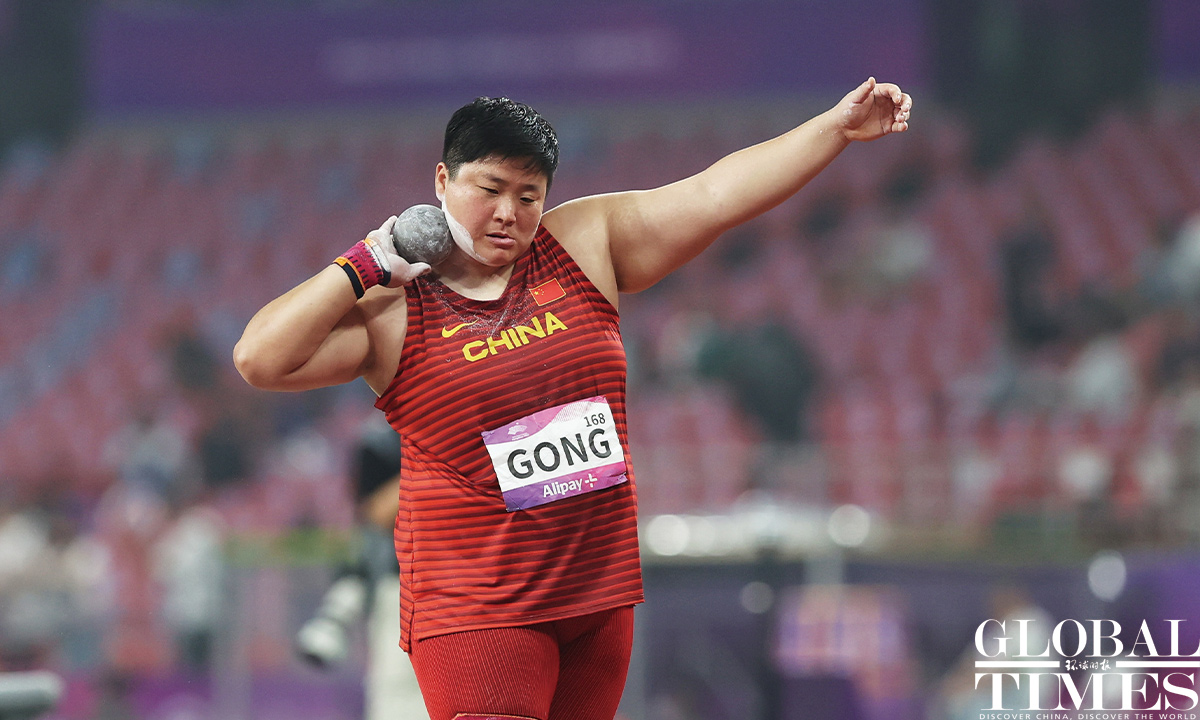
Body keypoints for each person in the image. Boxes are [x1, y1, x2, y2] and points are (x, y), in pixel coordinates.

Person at [233, 78, 912, 720]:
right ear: (442, 182)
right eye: (490, 189)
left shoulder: (583, 242)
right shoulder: (394, 308)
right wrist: (369, 259)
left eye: (528, 195)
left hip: (596, 597)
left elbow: (713, 196)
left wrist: (835, 130)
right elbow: (259, 359)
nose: (509, 213)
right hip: (480, 608)